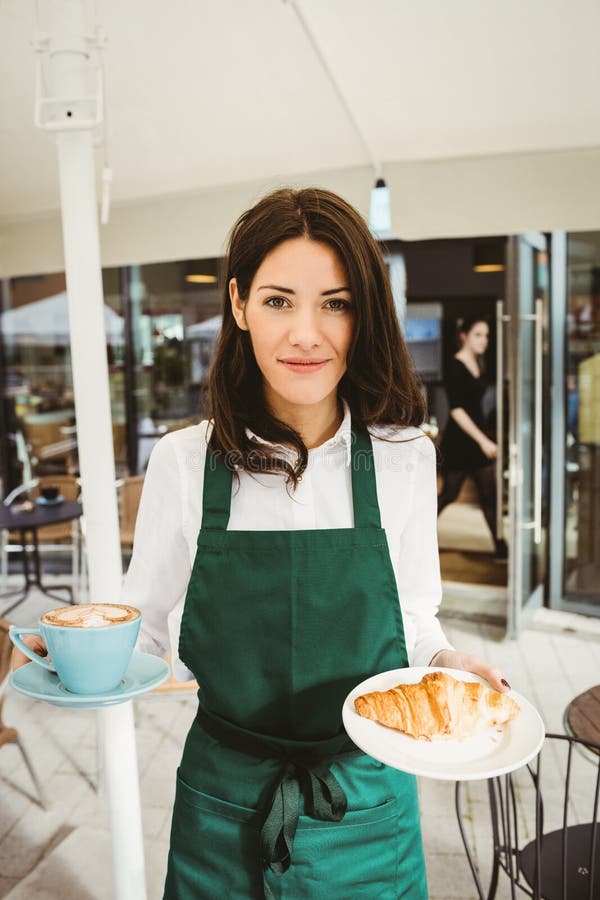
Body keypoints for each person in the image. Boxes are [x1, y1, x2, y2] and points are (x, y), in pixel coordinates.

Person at [14, 188, 510, 899]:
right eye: (280, 301)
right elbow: (146, 633)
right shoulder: (185, 462)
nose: (306, 333)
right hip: (223, 806)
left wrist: (448, 661)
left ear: (362, 316)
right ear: (240, 304)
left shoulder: (406, 456)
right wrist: (75, 660)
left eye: (335, 303)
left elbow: (413, 621)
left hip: (366, 802)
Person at [438, 316, 508, 559]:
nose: (484, 341)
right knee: (449, 495)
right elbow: (457, 410)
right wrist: (484, 441)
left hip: (476, 439)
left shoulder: (480, 364)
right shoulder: (455, 365)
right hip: (460, 441)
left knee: (490, 495)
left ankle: (501, 547)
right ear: (463, 336)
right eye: (478, 335)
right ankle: (413, 535)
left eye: (486, 336)